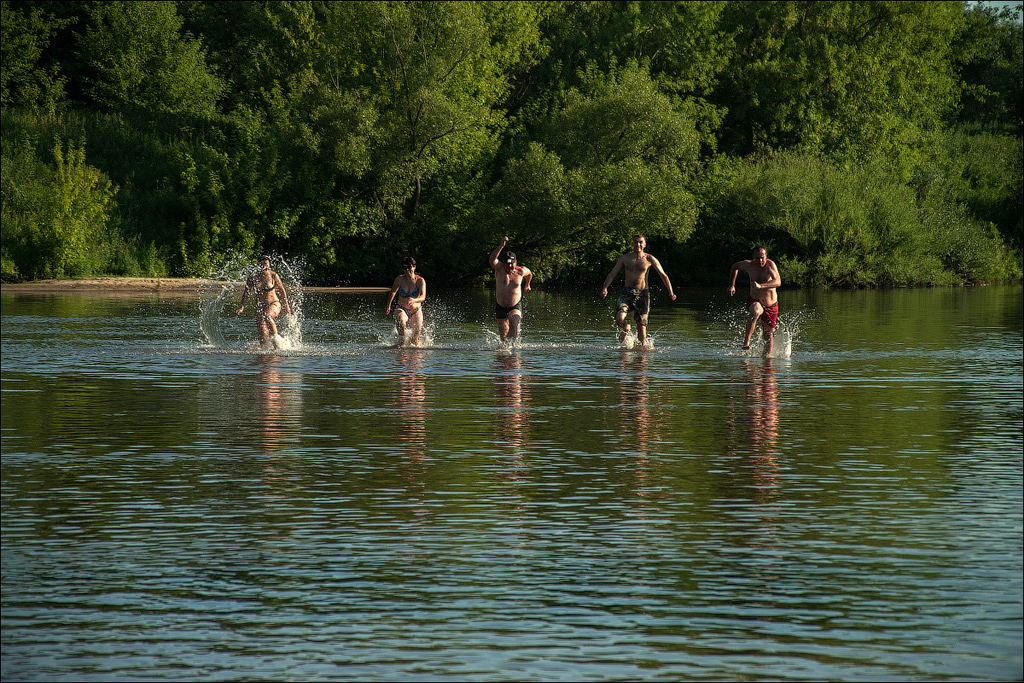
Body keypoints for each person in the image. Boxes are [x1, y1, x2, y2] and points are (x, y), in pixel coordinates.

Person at [600, 234, 676, 346]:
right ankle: (626, 328)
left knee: (641, 326)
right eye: (636, 242)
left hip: (642, 295)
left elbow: (663, 275)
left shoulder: (650, 259)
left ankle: (641, 358)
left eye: (640, 242)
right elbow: (612, 274)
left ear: (644, 244)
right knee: (619, 318)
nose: (638, 244)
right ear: (632, 244)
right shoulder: (625, 258)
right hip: (627, 293)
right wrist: (605, 288)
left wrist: (671, 292)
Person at [728, 246, 782, 356]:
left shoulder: (770, 265)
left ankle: (767, 359)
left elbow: (777, 282)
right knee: (755, 312)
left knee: (768, 335)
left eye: (762, 258)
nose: (760, 261)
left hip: (770, 304)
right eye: (757, 258)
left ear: (766, 256)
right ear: (753, 257)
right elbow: (735, 267)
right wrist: (731, 285)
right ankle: (746, 342)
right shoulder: (748, 265)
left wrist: (761, 286)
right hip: (755, 300)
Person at [236, 254, 292, 348]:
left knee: (268, 316)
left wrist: (286, 305)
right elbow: (246, 293)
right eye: (262, 264)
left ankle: (277, 340)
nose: (265, 266)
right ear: (258, 264)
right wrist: (242, 307)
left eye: (266, 264)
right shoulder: (252, 277)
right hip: (260, 307)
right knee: (263, 334)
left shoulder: (273, 275)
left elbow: (282, 291)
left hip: (274, 304)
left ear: (269, 264)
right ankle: (265, 354)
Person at [489, 237, 532, 344]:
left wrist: (527, 284)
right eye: (507, 264)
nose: (509, 266)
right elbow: (492, 260)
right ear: (503, 264)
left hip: (515, 305)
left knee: (514, 322)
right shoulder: (499, 269)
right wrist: (501, 246)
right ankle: (506, 355)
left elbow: (530, 274)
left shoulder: (521, 271)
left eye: (511, 263)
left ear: (516, 262)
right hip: (501, 306)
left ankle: (513, 350)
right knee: (503, 337)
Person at [385, 256, 427, 346]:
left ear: (414, 267)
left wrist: (415, 300)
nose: (407, 270)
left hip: (416, 310)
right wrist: (388, 305)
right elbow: (393, 292)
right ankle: (402, 347)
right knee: (401, 321)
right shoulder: (399, 279)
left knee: (415, 341)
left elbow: (423, 297)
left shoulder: (420, 281)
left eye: (409, 267)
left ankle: (414, 357)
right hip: (402, 308)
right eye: (404, 267)